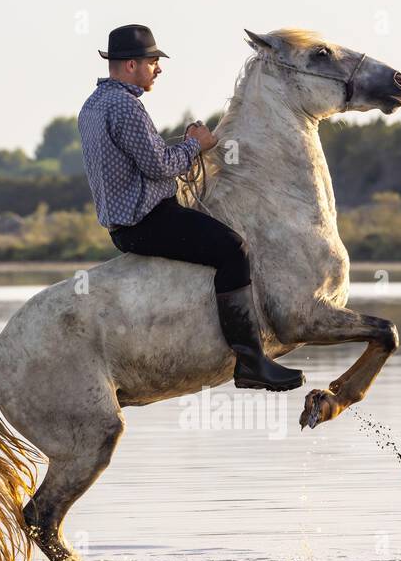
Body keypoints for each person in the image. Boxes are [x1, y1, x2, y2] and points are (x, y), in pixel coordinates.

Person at [77, 24, 305, 392]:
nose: (159, 68)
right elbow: (161, 167)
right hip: (149, 221)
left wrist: (182, 148)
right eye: (153, 61)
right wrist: (196, 144)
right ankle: (251, 362)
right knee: (234, 250)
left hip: (124, 225)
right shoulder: (125, 106)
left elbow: (143, 162)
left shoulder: (93, 105)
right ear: (131, 65)